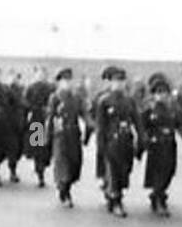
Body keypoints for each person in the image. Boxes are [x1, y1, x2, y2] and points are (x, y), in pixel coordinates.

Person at [92, 66, 139, 217]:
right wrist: (99, 144)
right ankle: (115, 198)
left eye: (121, 81)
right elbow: (99, 124)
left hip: (125, 140)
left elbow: (137, 121)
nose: (119, 84)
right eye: (115, 81)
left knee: (123, 171)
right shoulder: (103, 100)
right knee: (111, 170)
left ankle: (113, 193)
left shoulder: (129, 101)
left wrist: (141, 141)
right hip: (36, 122)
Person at [139, 73, 179, 216]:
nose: (161, 96)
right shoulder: (149, 111)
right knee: (158, 174)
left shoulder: (173, 110)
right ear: (153, 95)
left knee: (169, 172)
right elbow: (141, 128)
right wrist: (141, 145)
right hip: (155, 147)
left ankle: (158, 195)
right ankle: (158, 199)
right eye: (158, 93)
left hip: (169, 146)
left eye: (164, 92)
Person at [47, 67, 85, 207]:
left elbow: (84, 114)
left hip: (73, 134)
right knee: (61, 165)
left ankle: (65, 187)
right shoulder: (54, 97)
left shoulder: (76, 98)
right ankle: (62, 191)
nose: (67, 83)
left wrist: (91, 128)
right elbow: (49, 118)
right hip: (57, 133)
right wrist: (43, 140)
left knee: (74, 164)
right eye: (64, 80)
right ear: (58, 82)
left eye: (69, 80)